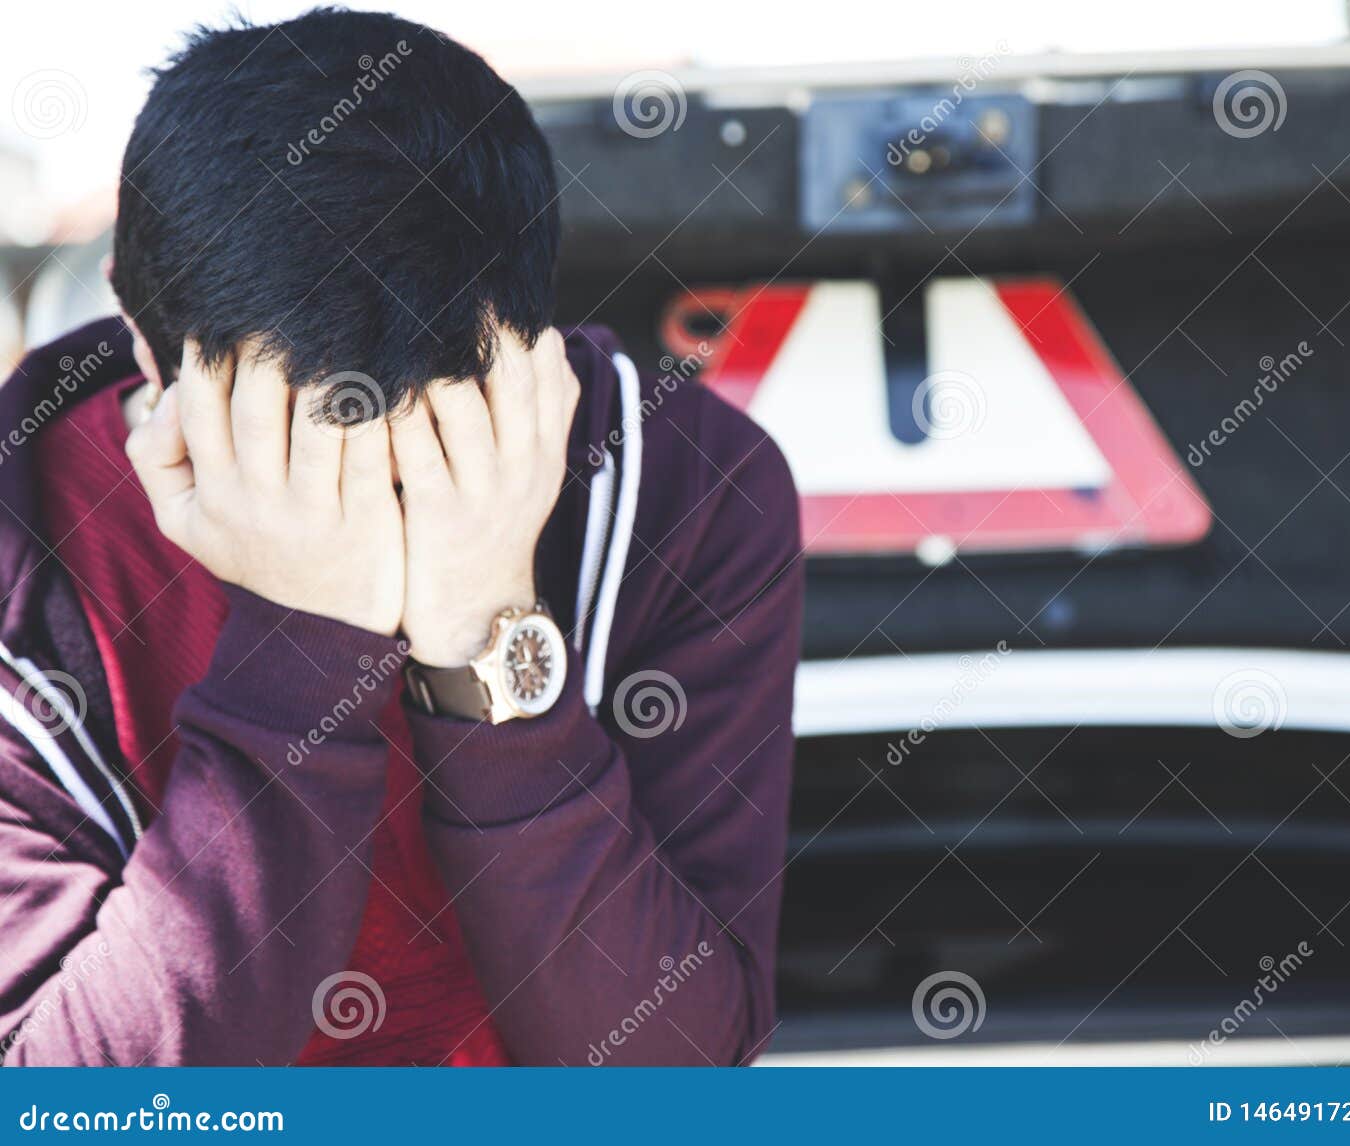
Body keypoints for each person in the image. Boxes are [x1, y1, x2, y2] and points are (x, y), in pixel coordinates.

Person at [0, 8, 801, 1066]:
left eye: (422, 428)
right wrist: (301, 632)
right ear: (144, 343)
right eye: (282, 438)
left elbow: (671, 1074)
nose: (358, 496)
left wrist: (485, 633)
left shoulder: (683, 486)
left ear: (524, 340)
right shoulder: (33, 552)